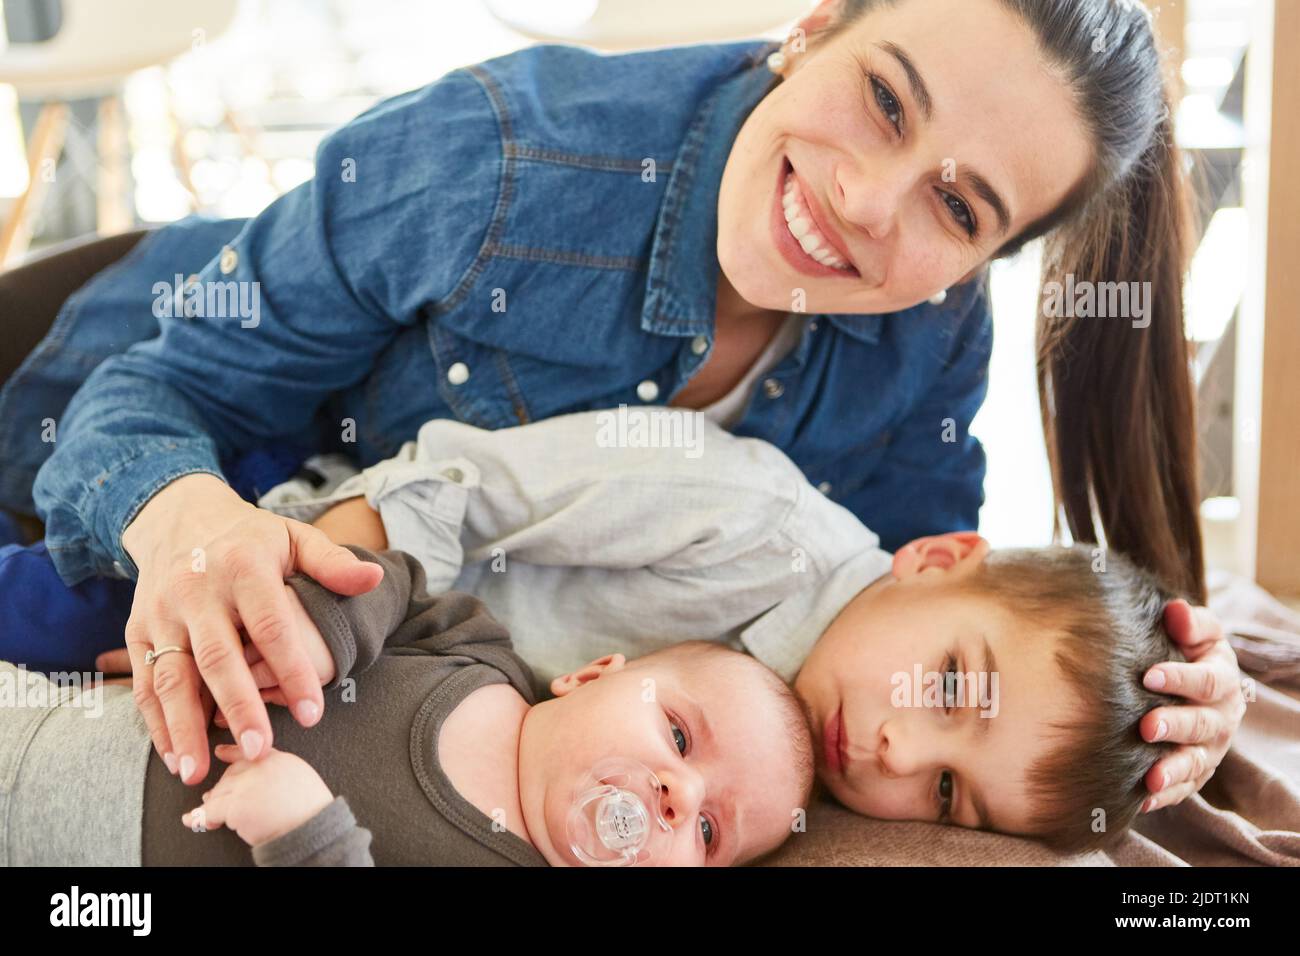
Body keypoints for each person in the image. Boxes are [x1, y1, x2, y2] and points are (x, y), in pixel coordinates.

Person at [0, 0, 1236, 806]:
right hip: (150, 392)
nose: (871, 202)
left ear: (980, 262)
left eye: (958, 208)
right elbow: (153, 392)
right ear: (814, 27)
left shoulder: (928, 334)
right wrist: (190, 533)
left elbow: (937, 612)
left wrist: (1149, 717)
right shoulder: (498, 157)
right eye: (884, 98)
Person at [0, 547, 813, 866]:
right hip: (59, 720)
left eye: (709, 835)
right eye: (677, 733)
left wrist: (309, 838)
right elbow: (390, 582)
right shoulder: (480, 654)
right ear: (591, 673)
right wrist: (324, 633)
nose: (681, 796)